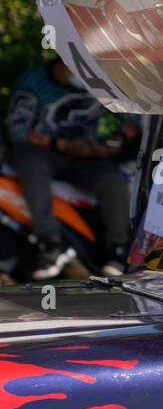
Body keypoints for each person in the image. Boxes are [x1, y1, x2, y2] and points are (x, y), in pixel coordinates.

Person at [5, 59, 136, 278]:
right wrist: (59, 144)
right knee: (32, 165)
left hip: (84, 157)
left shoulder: (100, 82)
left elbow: (133, 120)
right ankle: (51, 244)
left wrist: (118, 139)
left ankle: (119, 250)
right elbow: (18, 133)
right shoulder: (32, 83)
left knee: (111, 178)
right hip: (43, 153)